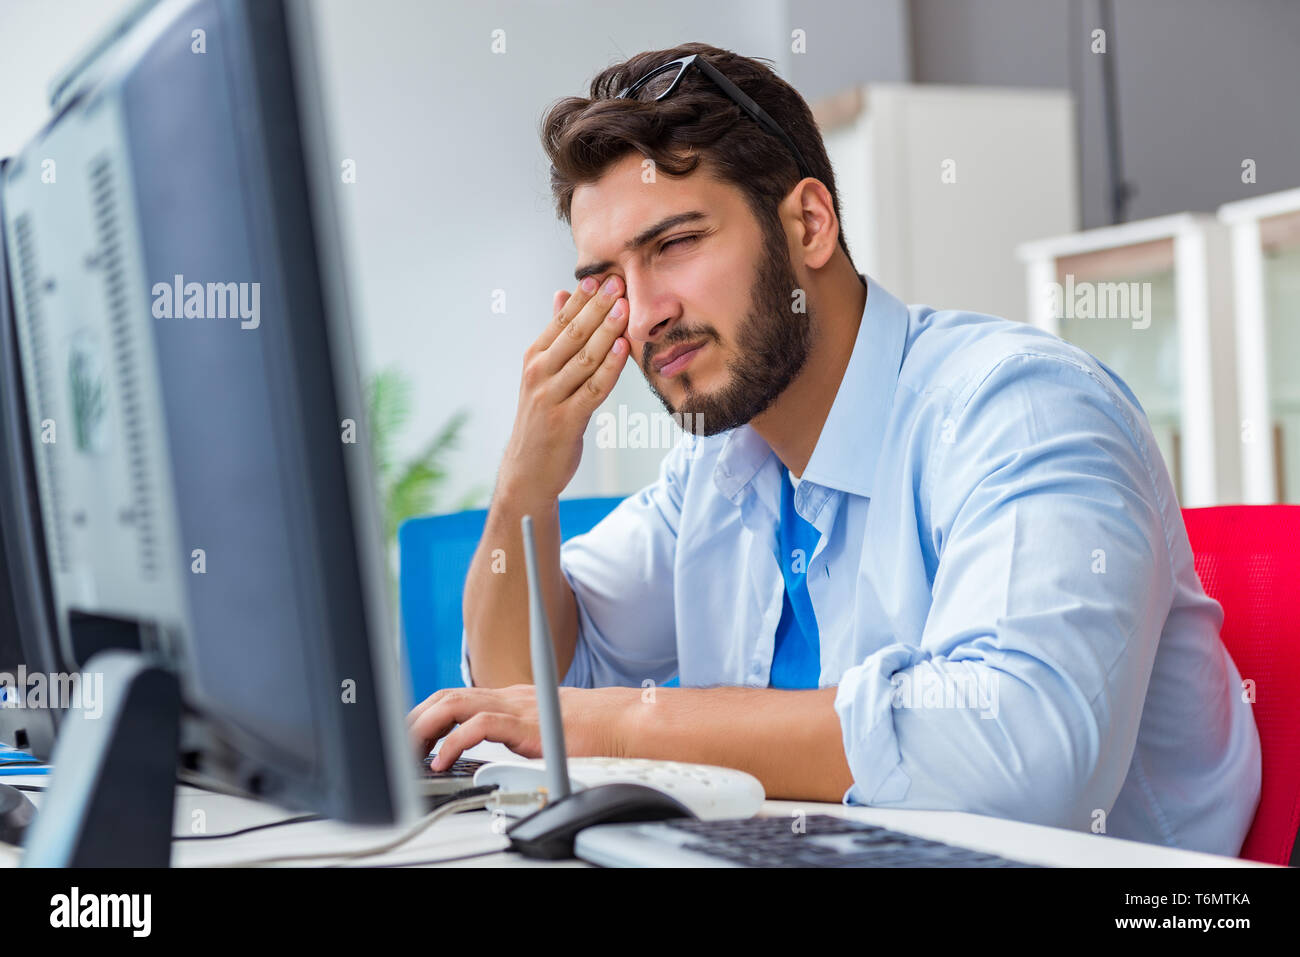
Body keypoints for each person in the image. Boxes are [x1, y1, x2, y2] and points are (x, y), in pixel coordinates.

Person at [408, 42, 1260, 856]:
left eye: (673, 245)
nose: (642, 313)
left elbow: (1017, 751)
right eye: (605, 280)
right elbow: (527, 701)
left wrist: (624, 721)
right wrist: (527, 479)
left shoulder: (1021, 407)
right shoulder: (718, 468)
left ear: (809, 223)